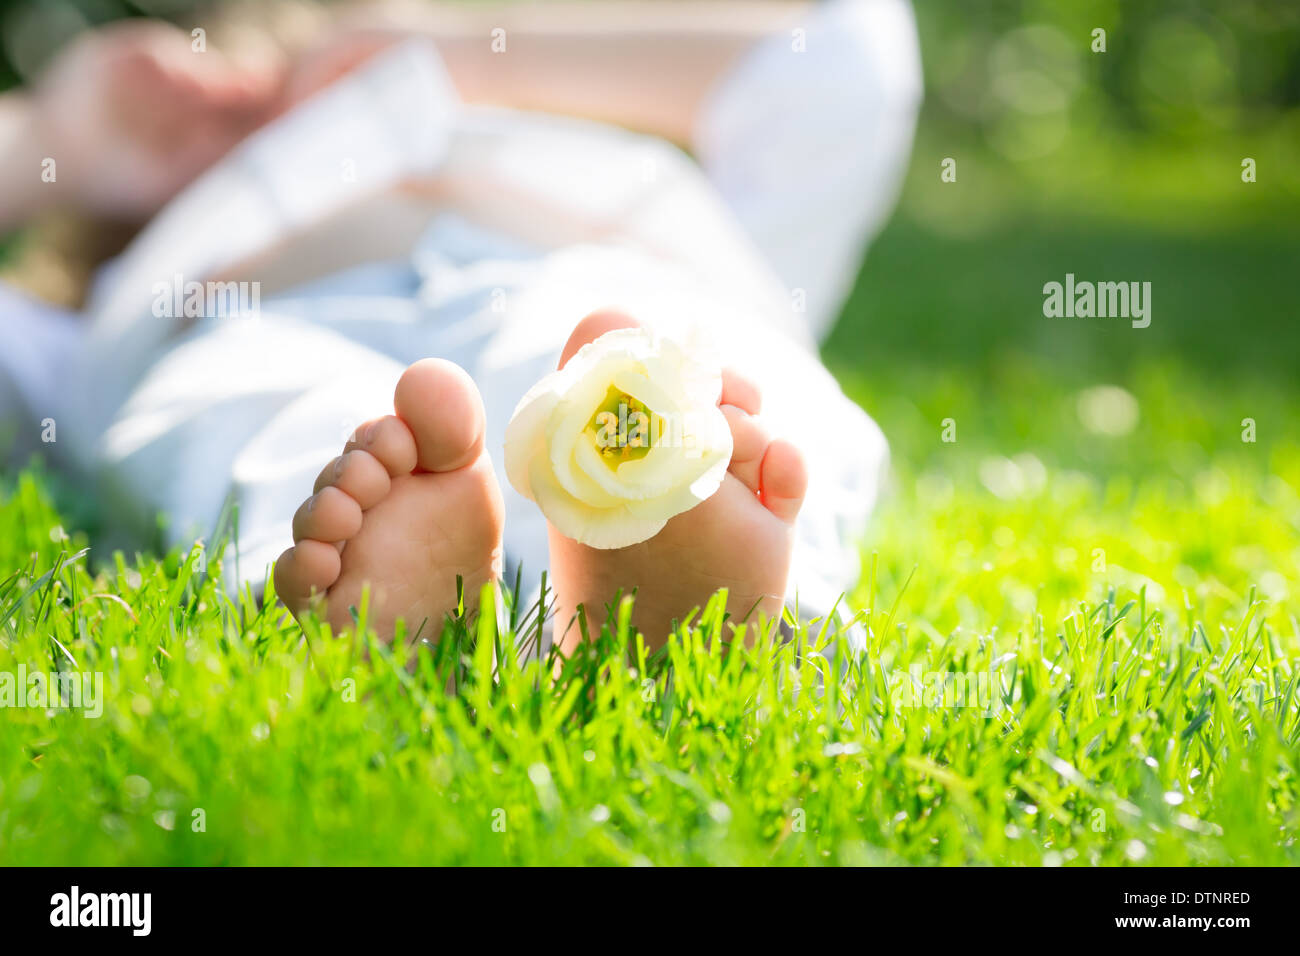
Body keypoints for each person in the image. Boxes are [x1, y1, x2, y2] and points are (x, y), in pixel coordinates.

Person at [0, 0, 921, 648]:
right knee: (299, 427)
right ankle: (397, 601)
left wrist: (457, 54)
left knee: (659, 377)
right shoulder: (89, 313)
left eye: (265, 78)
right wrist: (54, 141)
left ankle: (672, 555)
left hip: (583, 274)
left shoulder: (575, 163)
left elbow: (846, 61)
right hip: (246, 323)